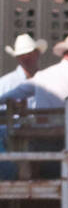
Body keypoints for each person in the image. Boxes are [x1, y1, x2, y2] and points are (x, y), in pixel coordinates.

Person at [0, 32, 68, 108]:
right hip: (63, 131)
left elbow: (17, 92)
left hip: (38, 129)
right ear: (67, 54)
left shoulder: (42, 76)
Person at [0, 34, 46, 181]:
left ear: (37, 54)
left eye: (29, 54)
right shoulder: (6, 82)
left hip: (37, 136)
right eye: (22, 55)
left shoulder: (45, 79)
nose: (26, 58)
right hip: (12, 139)